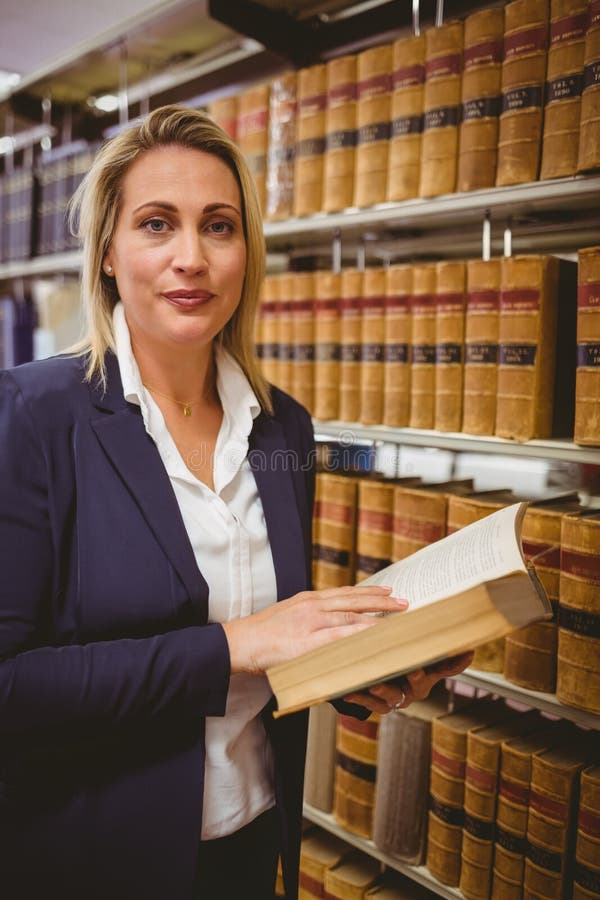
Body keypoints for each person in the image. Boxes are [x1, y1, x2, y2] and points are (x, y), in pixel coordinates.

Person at [0, 104, 472, 900]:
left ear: (247, 254)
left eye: (219, 227)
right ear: (108, 252)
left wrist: (360, 673)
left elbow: (269, 653)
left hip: (250, 849)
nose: (191, 258)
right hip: (89, 862)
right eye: (157, 224)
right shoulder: (32, 415)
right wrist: (235, 645)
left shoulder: (282, 426)